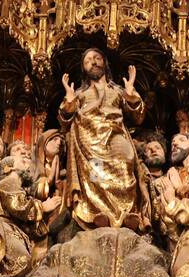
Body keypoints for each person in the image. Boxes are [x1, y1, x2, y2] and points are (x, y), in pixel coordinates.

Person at [58, 48, 150, 232]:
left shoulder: (118, 90)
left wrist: (132, 96)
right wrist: (69, 102)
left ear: (104, 63)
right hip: (90, 141)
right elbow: (64, 120)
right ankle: (98, 214)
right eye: (88, 61)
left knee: (126, 169)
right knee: (95, 178)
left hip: (116, 136)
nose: (93, 62)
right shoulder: (80, 93)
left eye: (97, 58)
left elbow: (138, 117)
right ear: (84, 69)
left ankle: (128, 214)